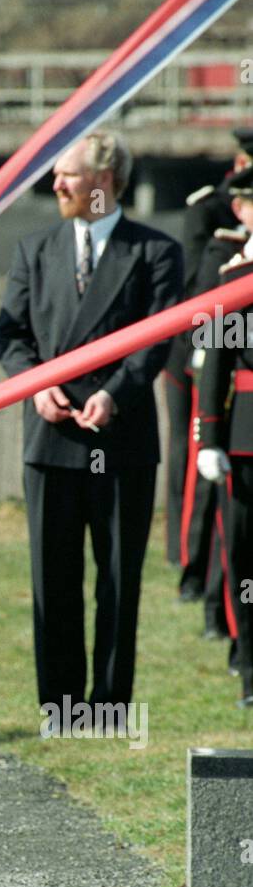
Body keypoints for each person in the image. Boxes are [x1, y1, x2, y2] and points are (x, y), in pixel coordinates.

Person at [0, 131, 183, 722]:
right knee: (53, 578)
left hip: (120, 439)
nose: (56, 185)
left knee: (118, 580)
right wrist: (36, 385)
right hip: (50, 437)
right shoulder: (35, 249)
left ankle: (109, 707)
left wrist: (114, 394)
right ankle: (61, 706)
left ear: (103, 182)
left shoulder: (155, 252)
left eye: (68, 175)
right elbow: (12, 336)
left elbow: (156, 339)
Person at [165, 128, 253, 574]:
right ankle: (189, 560)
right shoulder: (208, 210)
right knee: (193, 451)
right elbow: (198, 287)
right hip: (202, 344)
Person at [195, 165, 253, 705]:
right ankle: (250, 667)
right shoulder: (236, 279)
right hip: (246, 435)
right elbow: (215, 361)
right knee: (244, 553)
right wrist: (210, 437)